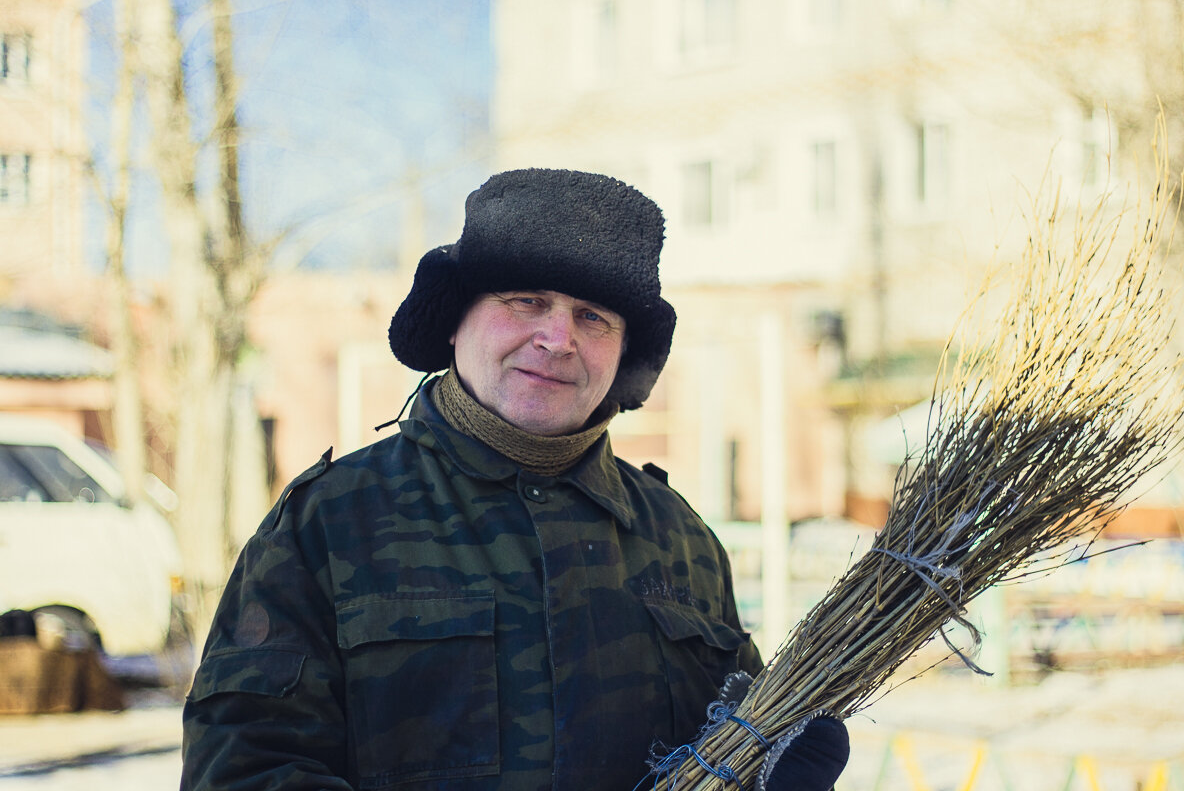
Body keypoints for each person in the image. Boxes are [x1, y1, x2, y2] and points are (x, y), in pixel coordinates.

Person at [180, 169, 849, 791]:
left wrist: (766, 769)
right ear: (454, 321)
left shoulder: (681, 540)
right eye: (527, 300)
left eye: (594, 317)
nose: (558, 338)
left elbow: (731, 734)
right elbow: (244, 766)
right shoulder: (326, 525)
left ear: (621, 354)